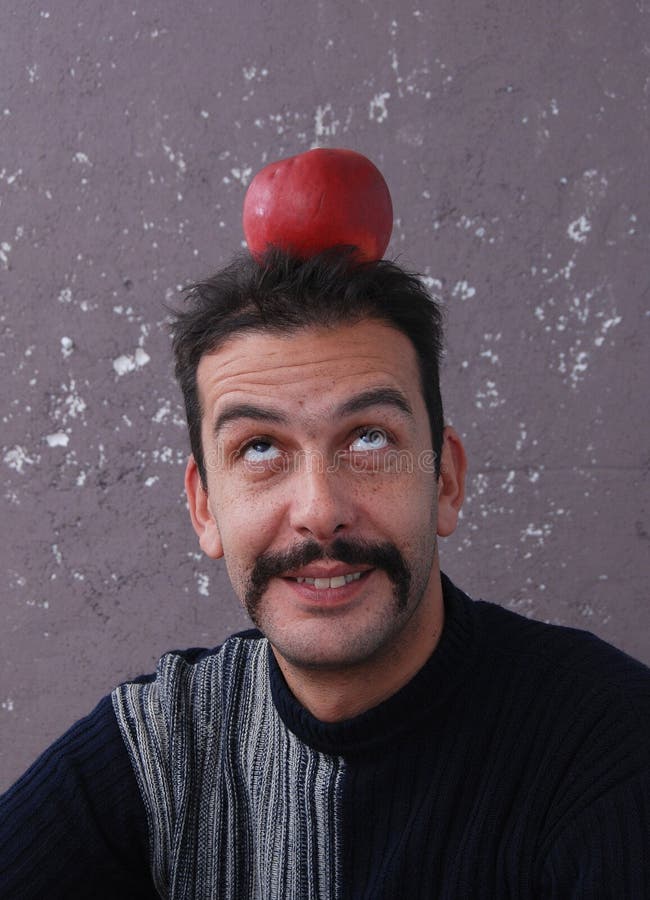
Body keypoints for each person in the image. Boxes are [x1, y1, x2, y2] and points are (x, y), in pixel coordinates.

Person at [1, 247, 649, 899]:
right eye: (259, 447)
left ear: (445, 479)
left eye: (369, 438)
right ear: (205, 508)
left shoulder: (607, 744)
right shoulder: (160, 752)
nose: (320, 511)